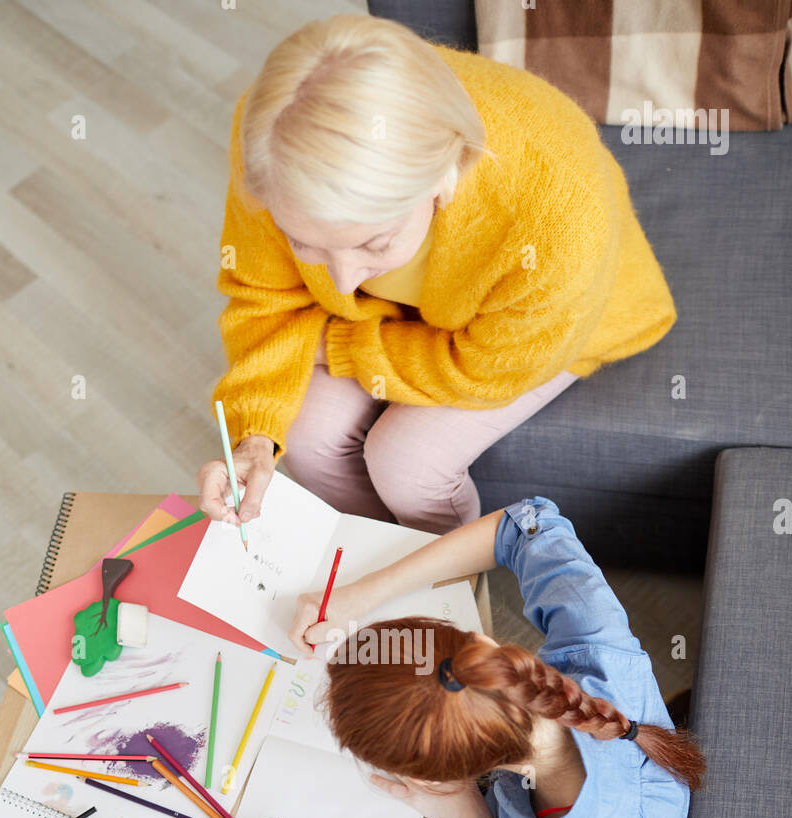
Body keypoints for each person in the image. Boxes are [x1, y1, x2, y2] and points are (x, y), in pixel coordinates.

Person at [197, 13, 676, 535]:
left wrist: (340, 344)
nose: (340, 283)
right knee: (305, 434)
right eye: (305, 244)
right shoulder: (276, 142)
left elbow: (491, 370)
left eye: (373, 243)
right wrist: (255, 437)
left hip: (538, 332)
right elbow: (264, 294)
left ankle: (446, 579)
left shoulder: (557, 213)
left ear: (448, 173)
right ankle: (369, 555)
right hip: (403, 316)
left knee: (407, 464)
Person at [289, 496, 706, 818]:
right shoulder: (600, 650)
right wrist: (357, 597)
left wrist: (464, 817)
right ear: (483, 648)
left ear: (446, 775)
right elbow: (528, 523)